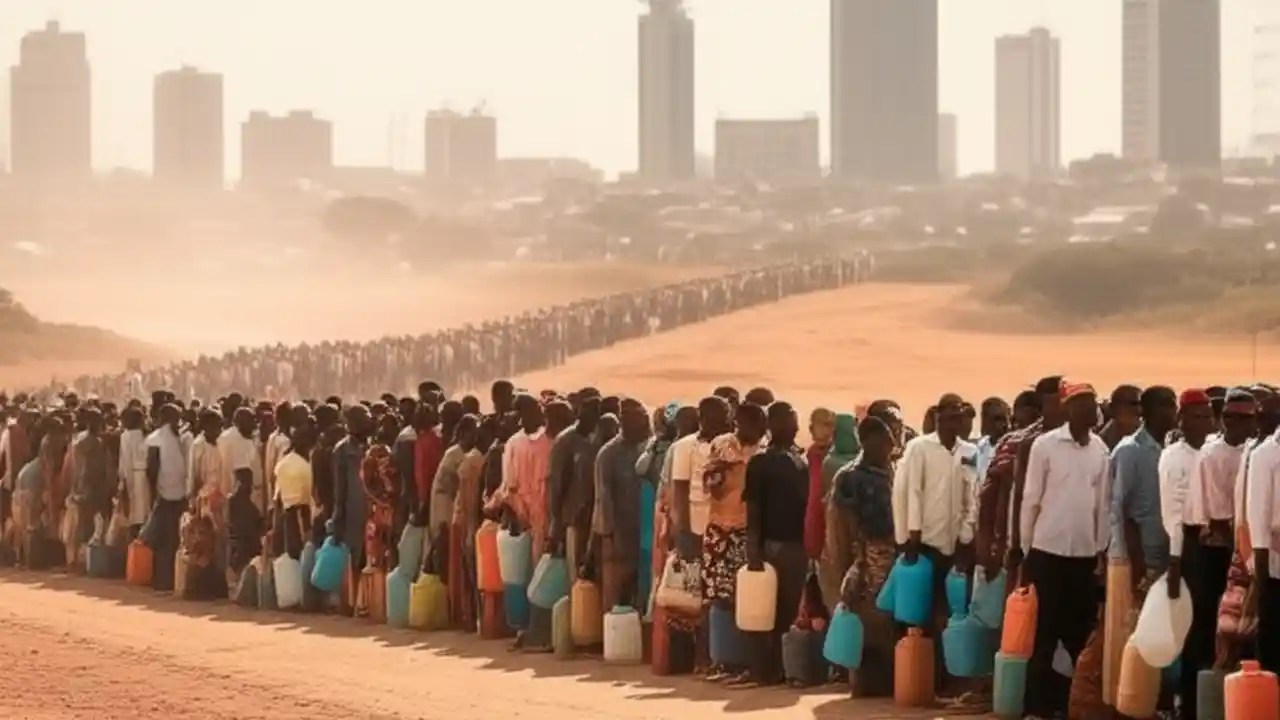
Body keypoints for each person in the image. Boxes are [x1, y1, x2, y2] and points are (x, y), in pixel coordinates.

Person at [1019, 382, 1110, 718]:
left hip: (1084, 557)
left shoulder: (1101, 450)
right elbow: (1031, 500)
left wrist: (1100, 551)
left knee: (1080, 633)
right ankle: (1036, 709)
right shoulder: (1046, 446)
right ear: (1068, 408)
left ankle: (1074, 705)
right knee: (1045, 633)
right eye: (1083, 404)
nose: (1090, 411)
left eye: (1093, 404)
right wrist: (1027, 548)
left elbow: (1102, 505)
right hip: (1047, 552)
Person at [1094, 385, 1176, 712]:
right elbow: (1120, 511)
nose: (1173, 411)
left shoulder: (1168, 450)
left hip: (1162, 558)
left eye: (1174, 404)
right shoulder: (1129, 451)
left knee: (1154, 636)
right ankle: (1119, 703)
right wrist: (1138, 566)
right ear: (1147, 411)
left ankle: (1147, 702)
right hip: (1130, 560)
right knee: (1125, 634)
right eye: (1166, 405)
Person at [891, 393, 978, 698]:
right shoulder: (920, 448)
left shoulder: (969, 451)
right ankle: (923, 679)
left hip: (955, 544)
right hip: (924, 543)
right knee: (922, 613)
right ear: (938, 417)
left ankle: (951, 678)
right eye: (950, 416)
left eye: (960, 416)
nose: (955, 421)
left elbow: (973, 495)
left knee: (952, 611)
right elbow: (912, 492)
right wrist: (910, 536)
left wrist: (967, 536)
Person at [1168, 388, 1246, 716]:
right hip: (1209, 550)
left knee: (1236, 630)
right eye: (1233, 417)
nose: (1241, 425)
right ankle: (1191, 704)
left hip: (1237, 548)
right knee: (1203, 628)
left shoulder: (1250, 452)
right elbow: (1214, 516)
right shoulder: (1207, 455)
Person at [742, 401, 808, 687]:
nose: (795, 427)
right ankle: (763, 669)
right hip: (772, 545)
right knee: (764, 609)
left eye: (795, 421)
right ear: (773, 425)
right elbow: (753, 508)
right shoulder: (760, 462)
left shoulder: (798, 459)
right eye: (789, 421)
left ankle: (780, 667)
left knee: (788, 610)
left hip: (795, 544)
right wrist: (753, 549)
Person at [701, 402, 767, 684]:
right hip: (721, 529)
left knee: (748, 598)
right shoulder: (722, 446)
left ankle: (744, 662)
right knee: (719, 596)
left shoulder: (764, 450)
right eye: (754, 425)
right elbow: (710, 483)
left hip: (749, 531)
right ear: (739, 424)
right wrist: (728, 468)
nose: (759, 431)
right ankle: (723, 660)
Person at [832, 416, 897, 697]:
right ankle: (866, 684)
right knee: (868, 619)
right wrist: (849, 566)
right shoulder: (850, 478)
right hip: (867, 556)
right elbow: (839, 530)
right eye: (885, 439)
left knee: (892, 620)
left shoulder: (895, 471)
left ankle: (890, 681)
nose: (891, 444)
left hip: (896, 556)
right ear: (868, 442)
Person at [594, 397, 651, 609]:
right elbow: (603, 498)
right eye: (640, 423)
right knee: (618, 590)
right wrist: (608, 536)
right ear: (624, 425)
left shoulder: (649, 448)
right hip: (620, 535)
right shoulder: (608, 455)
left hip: (645, 533)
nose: (645, 427)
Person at [1245, 392, 1280, 673]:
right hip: (1274, 571)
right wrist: (1260, 579)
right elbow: (1257, 519)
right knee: (1272, 646)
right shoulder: (1266, 455)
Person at [549, 396, 602, 580]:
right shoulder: (565, 442)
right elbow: (557, 485)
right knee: (576, 577)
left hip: (594, 521)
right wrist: (556, 523)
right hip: (574, 519)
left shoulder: (597, 440)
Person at [146, 404, 192, 593]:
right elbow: (152, 469)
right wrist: (154, 494)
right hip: (165, 494)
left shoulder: (178, 437)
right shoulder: (157, 439)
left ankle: (171, 580)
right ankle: (161, 580)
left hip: (179, 494)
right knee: (164, 539)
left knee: (174, 538)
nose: (178, 421)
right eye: (174, 417)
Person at [450, 415, 488, 632]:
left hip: (467, 521)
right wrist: (471, 531)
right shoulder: (474, 461)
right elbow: (469, 501)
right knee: (473, 572)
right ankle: (475, 617)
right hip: (468, 523)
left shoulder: (475, 459)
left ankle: (475, 617)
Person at [333, 405, 372, 613]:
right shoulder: (342, 450)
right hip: (354, 511)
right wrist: (338, 516)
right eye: (362, 419)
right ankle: (352, 602)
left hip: (373, 509)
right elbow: (340, 488)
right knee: (355, 557)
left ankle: (368, 601)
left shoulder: (373, 446)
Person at [188, 409, 228, 586]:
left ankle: (219, 580)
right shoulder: (198, 446)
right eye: (214, 426)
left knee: (222, 540)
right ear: (205, 427)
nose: (218, 429)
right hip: (205, 500)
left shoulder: (223, 443)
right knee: (205, 541)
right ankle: (204, 581)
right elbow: (193, 476)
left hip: (222, 499)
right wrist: (193, 505)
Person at [274, 418, 316, 562]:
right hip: (298, 523)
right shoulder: (298, 466)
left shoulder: (285, 462)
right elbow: (299, 507)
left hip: (288, 520)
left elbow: (277, 498)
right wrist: (307, 533)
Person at [1100, 384, 1143, 451]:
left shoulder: (1151, 438)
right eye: (1132, 404)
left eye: (1142, 404)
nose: (1138, 410)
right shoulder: (1100, 444)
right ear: (1113, 408)